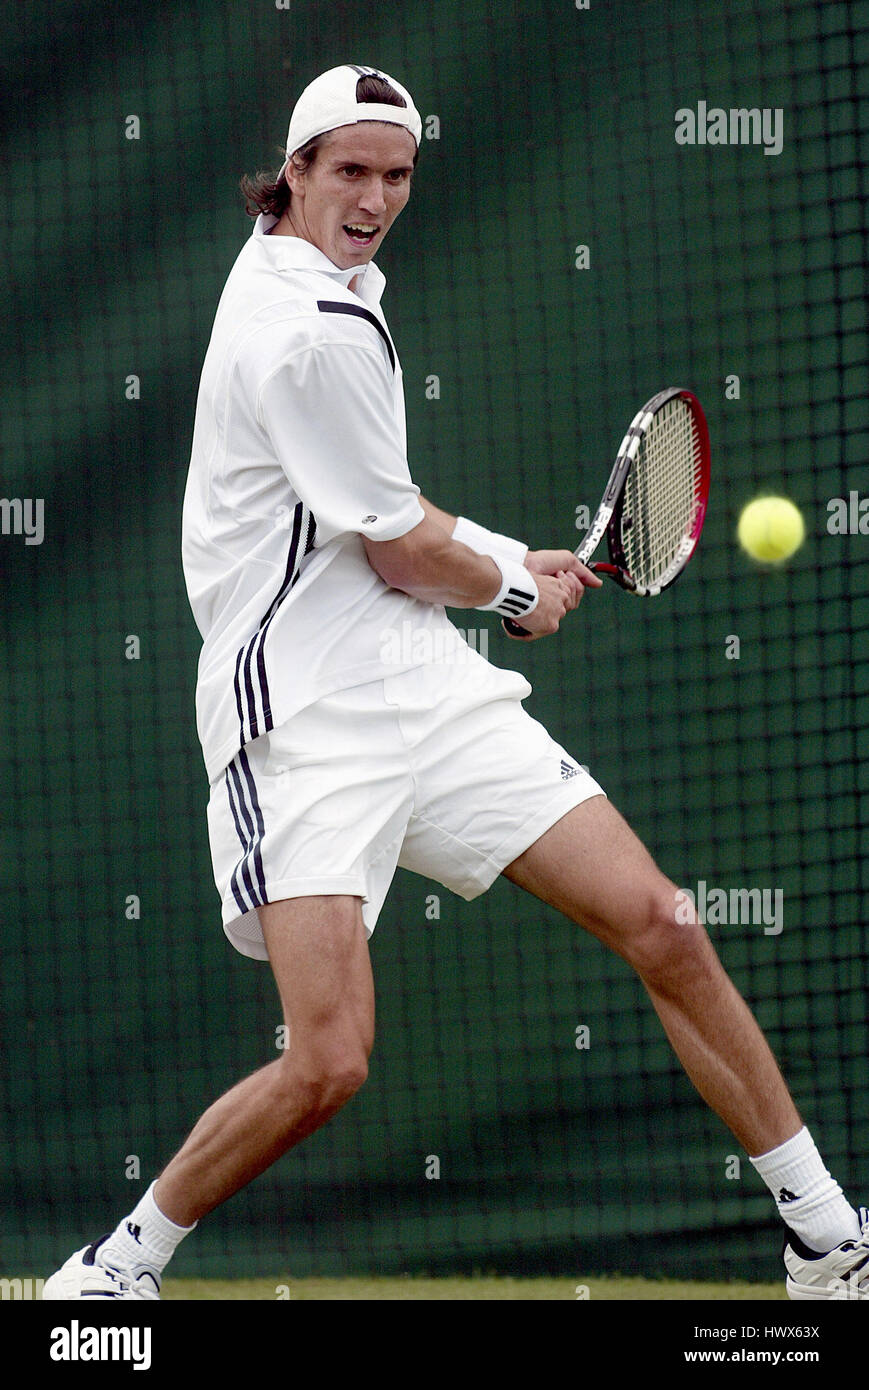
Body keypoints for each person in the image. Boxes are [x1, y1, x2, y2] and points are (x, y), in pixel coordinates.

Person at [44, 65, 866, 1302]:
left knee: (664, 923)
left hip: (420, 684)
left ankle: (823, 1238)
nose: (374, 196)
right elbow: (398, 545)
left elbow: (385, 515)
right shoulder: (305, 328)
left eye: (396, 172)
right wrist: (510, 587)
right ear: (297, 171)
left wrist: (494, 560)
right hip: (304, 719)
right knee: (328, 1064)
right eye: (350, 171)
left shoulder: (313, 274)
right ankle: (115, 1268)